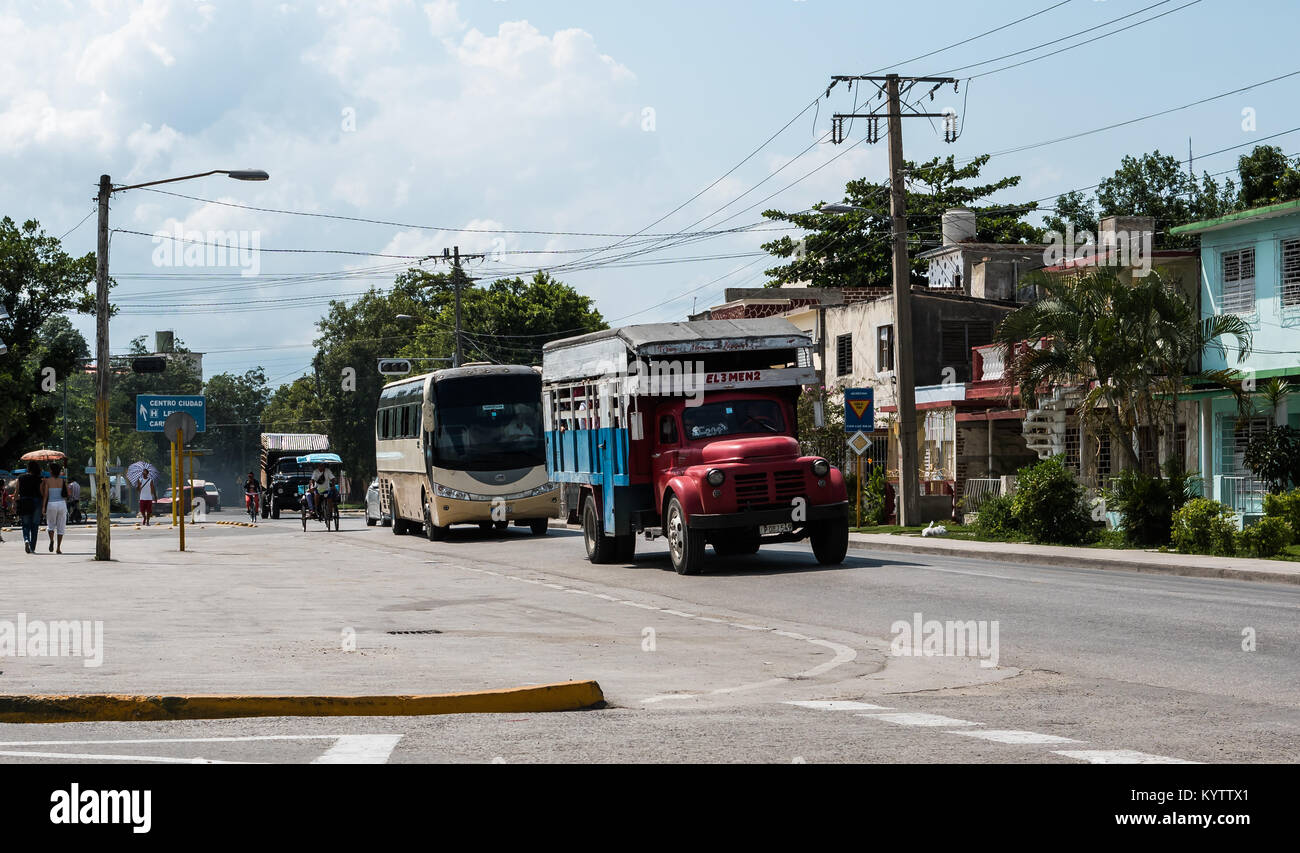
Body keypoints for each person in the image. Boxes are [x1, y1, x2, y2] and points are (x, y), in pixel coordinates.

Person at [16, 462, 42, 554]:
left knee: (26, 524)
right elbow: (41, 491)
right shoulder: (39, 478)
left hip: (24, 501)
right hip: (37, 501)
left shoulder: (21, 477)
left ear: (28, 468)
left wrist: (14, 502)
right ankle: (32, 548)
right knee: (35, 526)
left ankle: (26, 540)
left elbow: (16, 491)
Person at [42, 462, 67, 554]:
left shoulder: (48, 481)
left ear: (51, 471)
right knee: (61, 526)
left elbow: (45, 495)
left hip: (51, 504)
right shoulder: (62, 480)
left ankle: (52, 540)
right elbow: (67, 493)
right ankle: (58, 548)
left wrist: (43, 507)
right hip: (62, 504)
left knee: (51, 525)